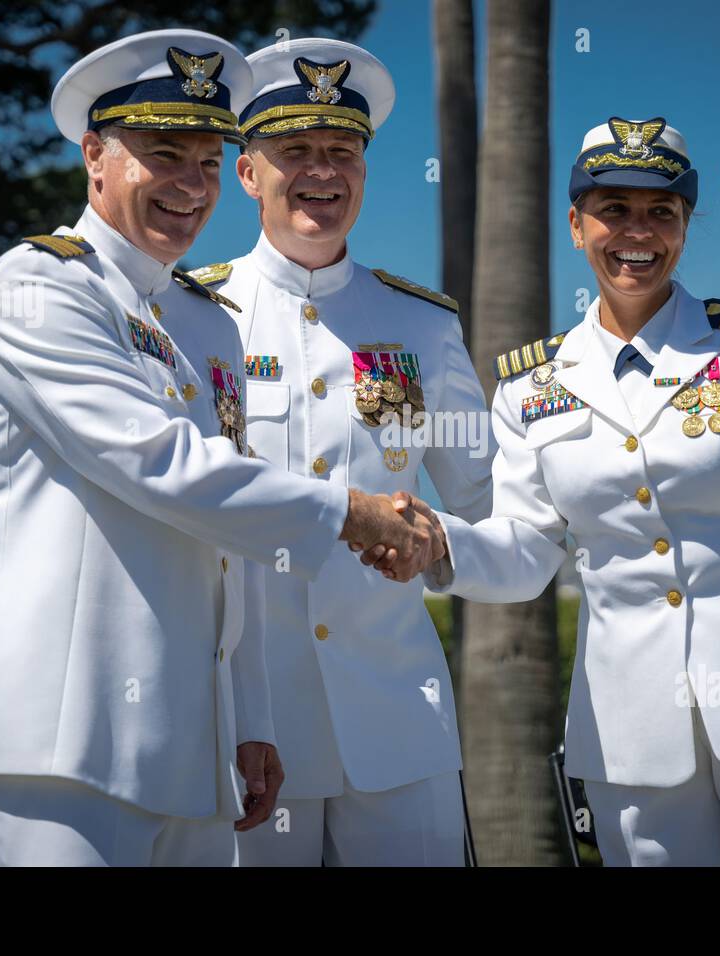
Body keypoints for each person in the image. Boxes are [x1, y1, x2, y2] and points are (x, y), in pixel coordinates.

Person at [0, 28, 439, 866]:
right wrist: (353, 513)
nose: (190, 184)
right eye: (164, 154)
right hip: (66, 742)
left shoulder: (204, 322)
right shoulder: (38, 287)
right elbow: (162, 467)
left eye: (209, 162)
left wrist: (250, 721)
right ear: (95, 156)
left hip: (195, 746)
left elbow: (230, 541)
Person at [373, 116, 720, 866]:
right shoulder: (529, 383)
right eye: (614, 209)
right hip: (630, 733)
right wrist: (442, 543)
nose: (637, 232)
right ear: (576, 225)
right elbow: (527, 548)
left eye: (661, 212)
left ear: (684, 226)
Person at [185, 38, 493, 866]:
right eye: (294, 151)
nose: (321, 171)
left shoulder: (424, 326)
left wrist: (436, 544)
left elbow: (489, 502)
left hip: (399, 727)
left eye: (341, 151)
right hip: (247, 732)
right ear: (248, 173)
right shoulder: (194, 317)